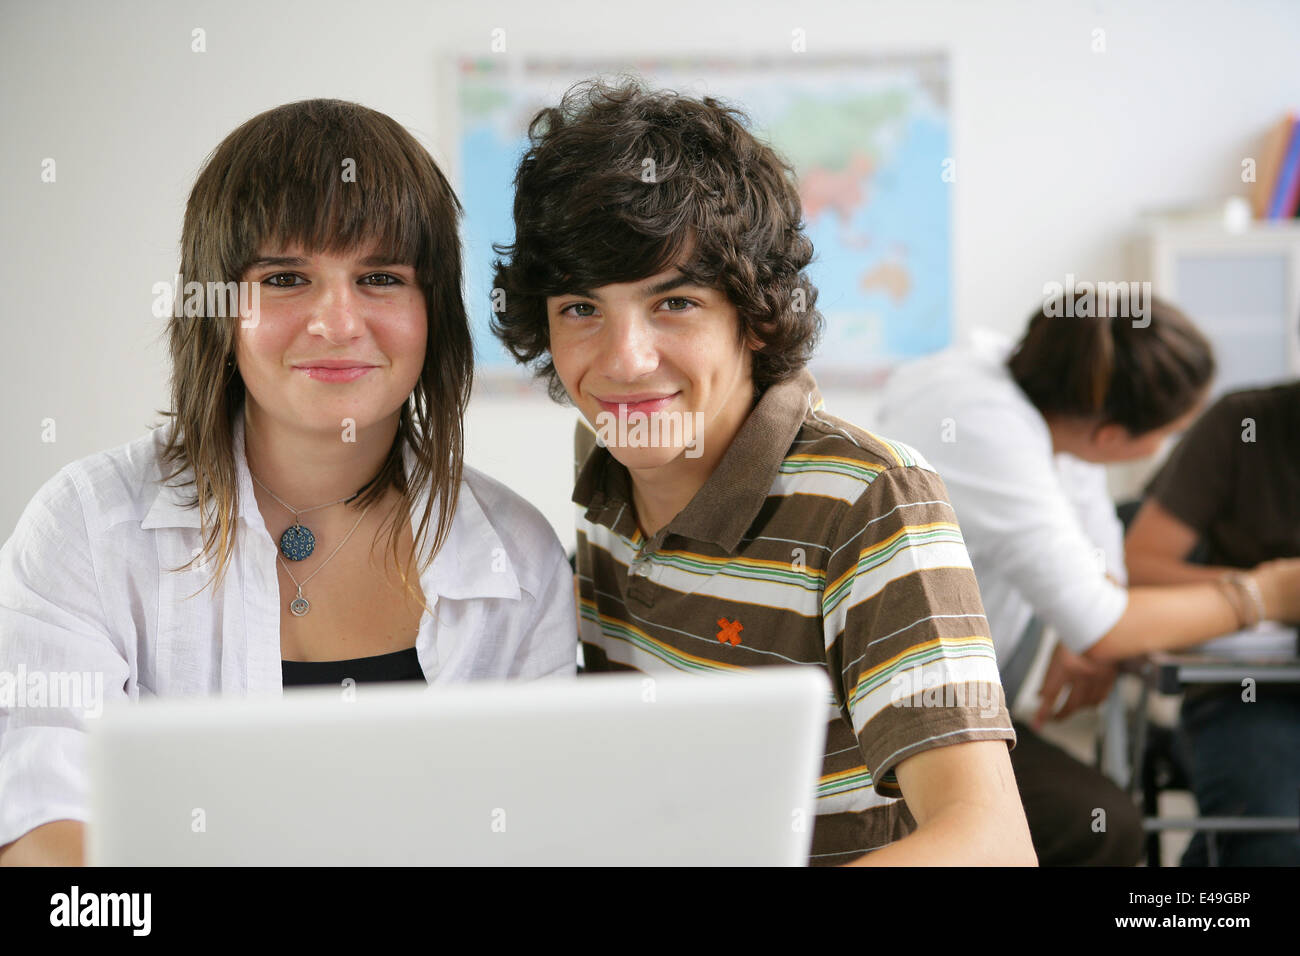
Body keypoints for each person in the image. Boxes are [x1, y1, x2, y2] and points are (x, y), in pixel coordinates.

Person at [0, 99, 576, 866]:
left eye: (380, 276)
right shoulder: (84, 528)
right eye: (284, 278)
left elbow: (543, 836)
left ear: (431, 309)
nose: (337, 323)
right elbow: (44, 830)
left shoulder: (522, 558)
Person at [490, 77, 1036, 865]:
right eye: (582, 309)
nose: (624, 361)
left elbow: (991, 844)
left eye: (673, 303)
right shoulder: (608, 475)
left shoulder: (869, 499)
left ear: (754, 313)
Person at [876, 297, 1300, 865]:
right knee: (1103, 826)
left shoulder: (1043, 399)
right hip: (894, 721)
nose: (1168, 447)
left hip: (940, 702)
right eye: (1167, 434)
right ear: (1109, 437)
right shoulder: (986, 426)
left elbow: (1106, 584)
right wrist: (1265, 594)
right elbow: (1105, 621)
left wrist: (1098, 627)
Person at [1126, 377, 1300, 865]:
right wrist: (1269, 592)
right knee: (1272, 836)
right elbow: (1138, 566)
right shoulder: (1242, 424)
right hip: (1248, 694)